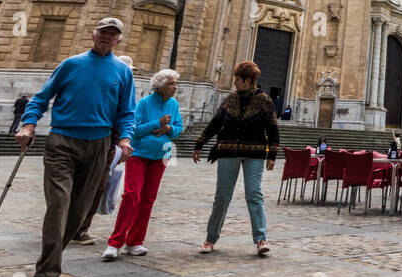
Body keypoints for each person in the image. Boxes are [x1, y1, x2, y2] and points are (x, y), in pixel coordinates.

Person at [15, 18, 135, 277]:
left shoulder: (122, 71)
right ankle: (45, 275)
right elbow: (41, 98)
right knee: (58, 204)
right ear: (93, 34)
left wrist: (126, 138)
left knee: (79, 212)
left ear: (118, 40)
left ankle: (51, 260)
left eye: (112, 34)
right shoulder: (71, 64)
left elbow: (126, 111)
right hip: (62, 142)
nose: (106, 37)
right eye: (103, 32)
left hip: (98, 144)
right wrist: (29, 124)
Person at [193, 61, 279, 257]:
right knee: (222, 197)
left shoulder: (264, 101)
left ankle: (260, 239)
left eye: (238, 80)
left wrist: (272, 154)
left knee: (254, 194)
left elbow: (272, 129)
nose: (235, 83)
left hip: (255, 153)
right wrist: (199, 144)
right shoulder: (229, 100)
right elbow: (215, 124)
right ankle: (210, 238)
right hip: (228, 152)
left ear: (248, 81)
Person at [103, 69, 184, 260]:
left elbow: (179, 129)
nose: (175, 87)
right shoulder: (144, 104)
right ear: (161, 85)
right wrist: (156, 124)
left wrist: (170, 128)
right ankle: (115, 242)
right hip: (139, 154)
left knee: (148, 198)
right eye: (172, 83)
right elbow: (134, 129)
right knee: (132, 195)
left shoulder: (173, 104)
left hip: (161, 155)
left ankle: (135, 241)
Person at [70, 53, 135, 245]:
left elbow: (126, 118)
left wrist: (124, 141)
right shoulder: (108, 92)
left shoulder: (120, 94)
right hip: (97, 142)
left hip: (109, 145)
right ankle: (74, 226)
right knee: (91, 185)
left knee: (96, 185)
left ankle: (80, 227)